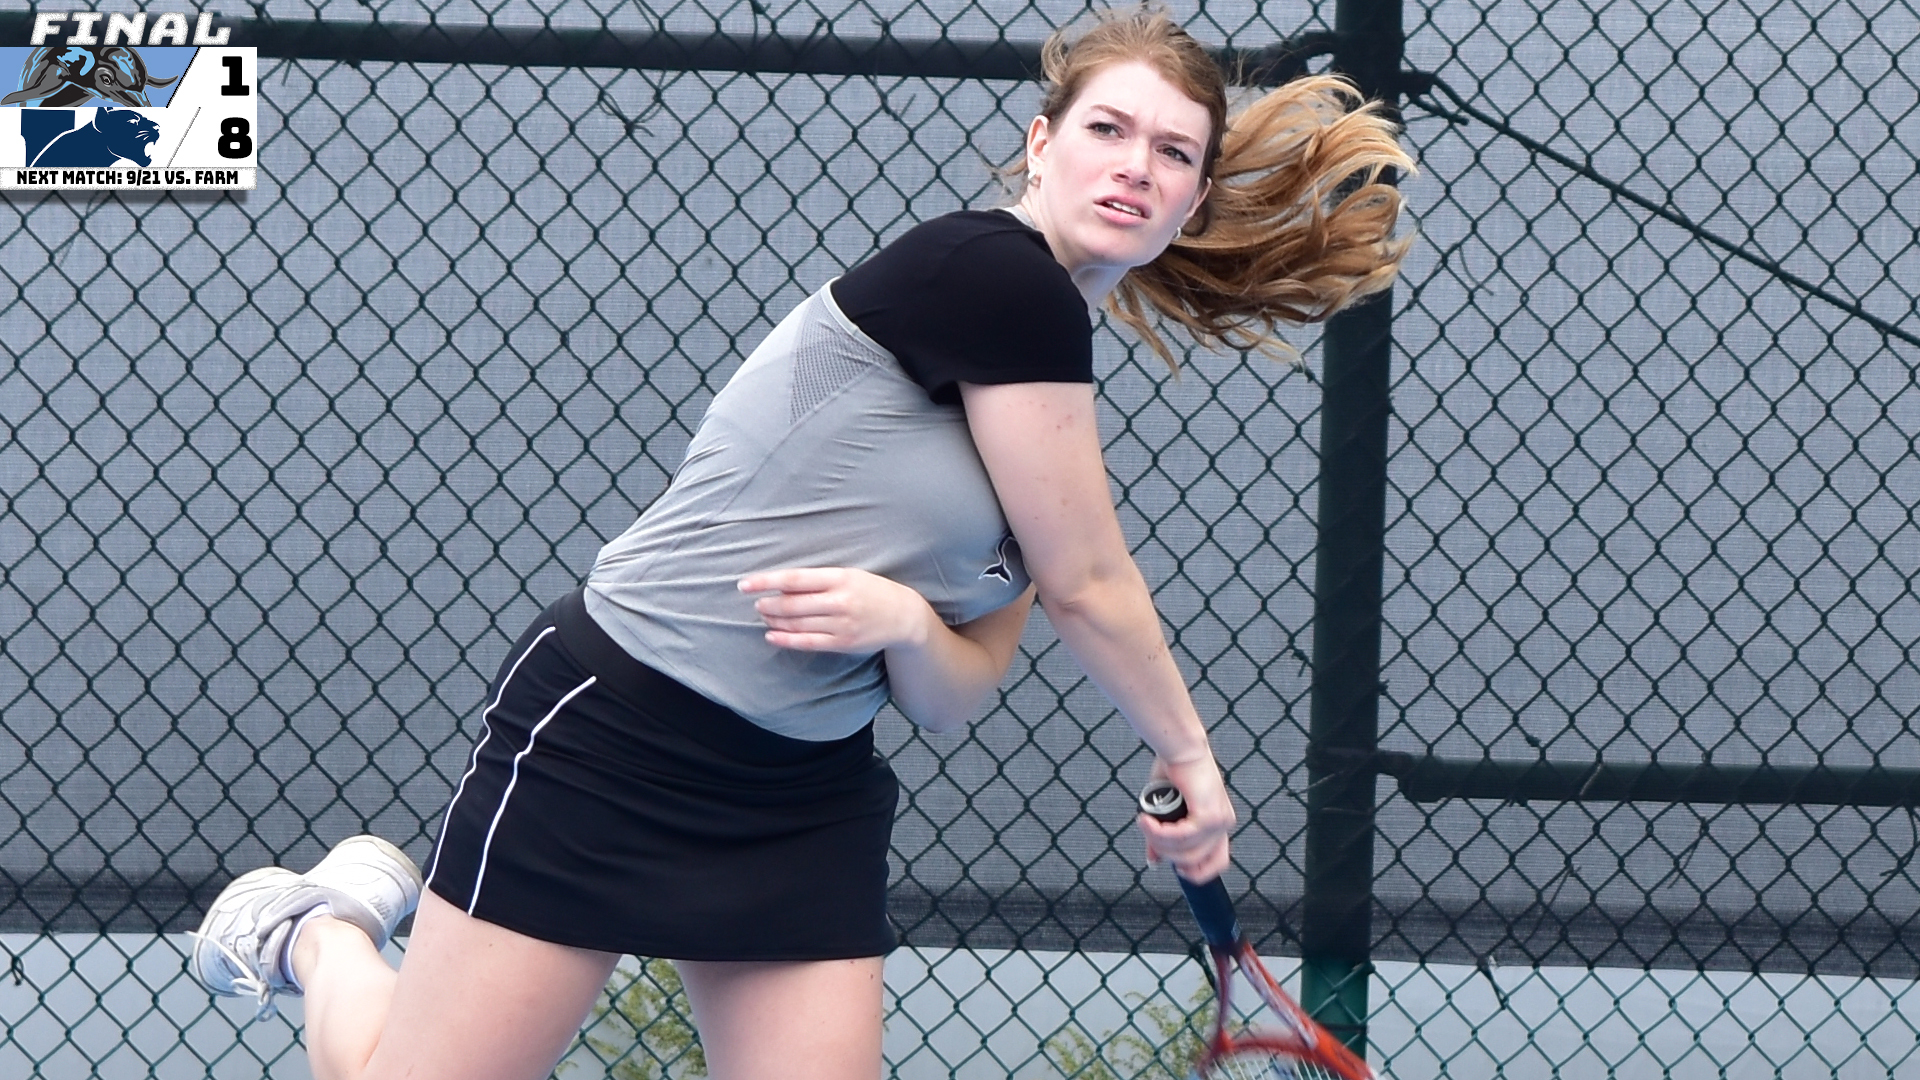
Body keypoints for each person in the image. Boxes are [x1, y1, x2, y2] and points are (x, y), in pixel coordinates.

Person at [186, 7, 1413, 1079]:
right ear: (1042, 145)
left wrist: (902, 625)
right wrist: (1188, 752)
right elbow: (1090, 586)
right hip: (618, 728)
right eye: (1108, 130)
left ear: (1195, 194)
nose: (1136, 166)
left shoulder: (1043, 413)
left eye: (1172, 152)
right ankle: (321, 931)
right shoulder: (993, 276)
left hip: (796, 795)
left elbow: (955, 690)